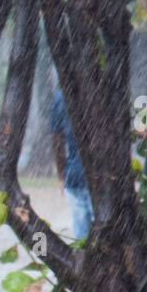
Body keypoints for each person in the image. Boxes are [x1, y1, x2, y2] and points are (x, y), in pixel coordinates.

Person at [49, 87, 92, 241]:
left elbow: (57, 141)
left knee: (82, 238)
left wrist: (61, 175)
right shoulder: (103, 90)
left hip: (74, 175)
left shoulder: (61, 97)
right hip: (103, 177)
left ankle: (88, 262)